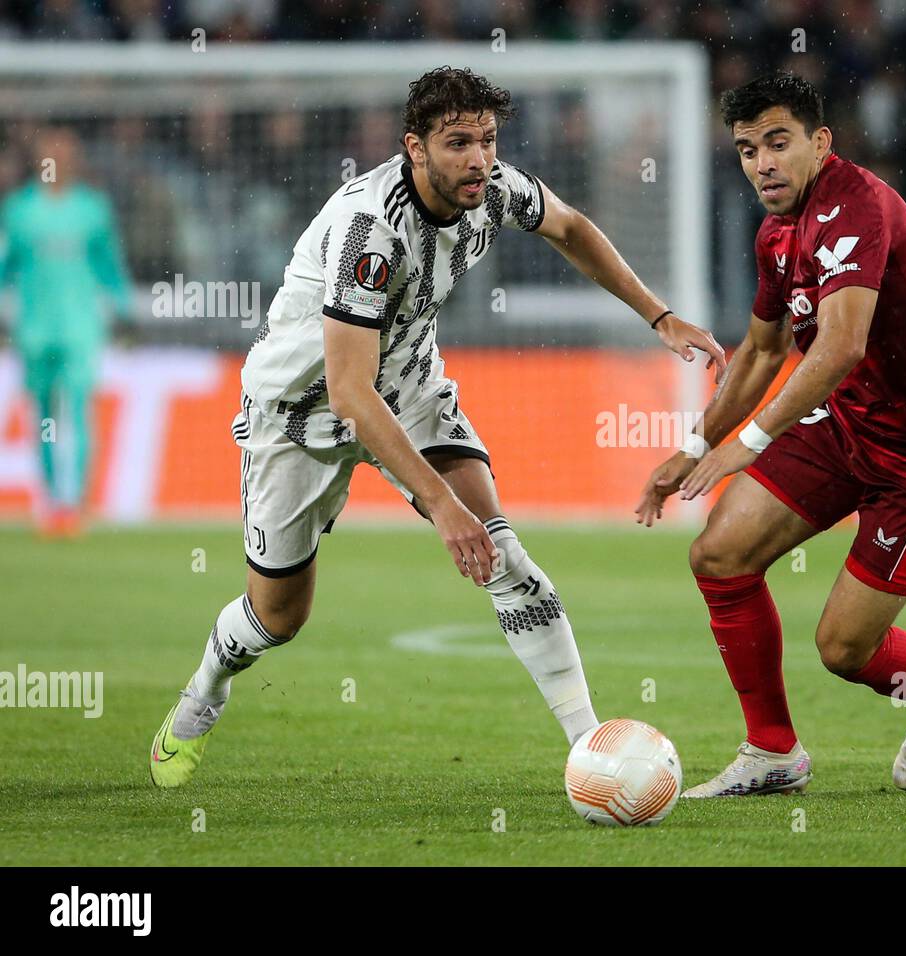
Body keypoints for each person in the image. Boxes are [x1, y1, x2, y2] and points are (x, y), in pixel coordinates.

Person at [149, 67, 725, 787]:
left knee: (508, 561)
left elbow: (571, 227)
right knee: (277, 618)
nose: (479, 158)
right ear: (414, 149)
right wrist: (443, 506)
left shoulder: (495, 190)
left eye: (487, 140)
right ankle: (206, 688)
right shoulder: (372, 230)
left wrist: (659, 316)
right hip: (301, 412)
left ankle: (591, 753)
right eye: (458, 143)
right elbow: (351, 394)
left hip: (410, 388)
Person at [637, 72, 906, 797]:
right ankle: (772, 753)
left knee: (842, 648)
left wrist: (753, 439)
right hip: (849, 420)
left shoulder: (858, 204)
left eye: (777, 143)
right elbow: (765, 352)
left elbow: (839, 347)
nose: (761, 163)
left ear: (819, 142)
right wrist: (697, 446)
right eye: (745, 150)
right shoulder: (775, 232)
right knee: (720, 554)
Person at [0, 126, 131, 536]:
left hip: (80, 328)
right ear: (39, 158)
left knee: (78, 411)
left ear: (73, 158)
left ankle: (79, 505)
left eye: (64, 150)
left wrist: (125, 309)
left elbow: (108, 265)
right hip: (34, 331)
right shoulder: (18, 210)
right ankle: (52, 502)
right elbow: (6, 267)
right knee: (43, 417)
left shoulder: (92, 209)